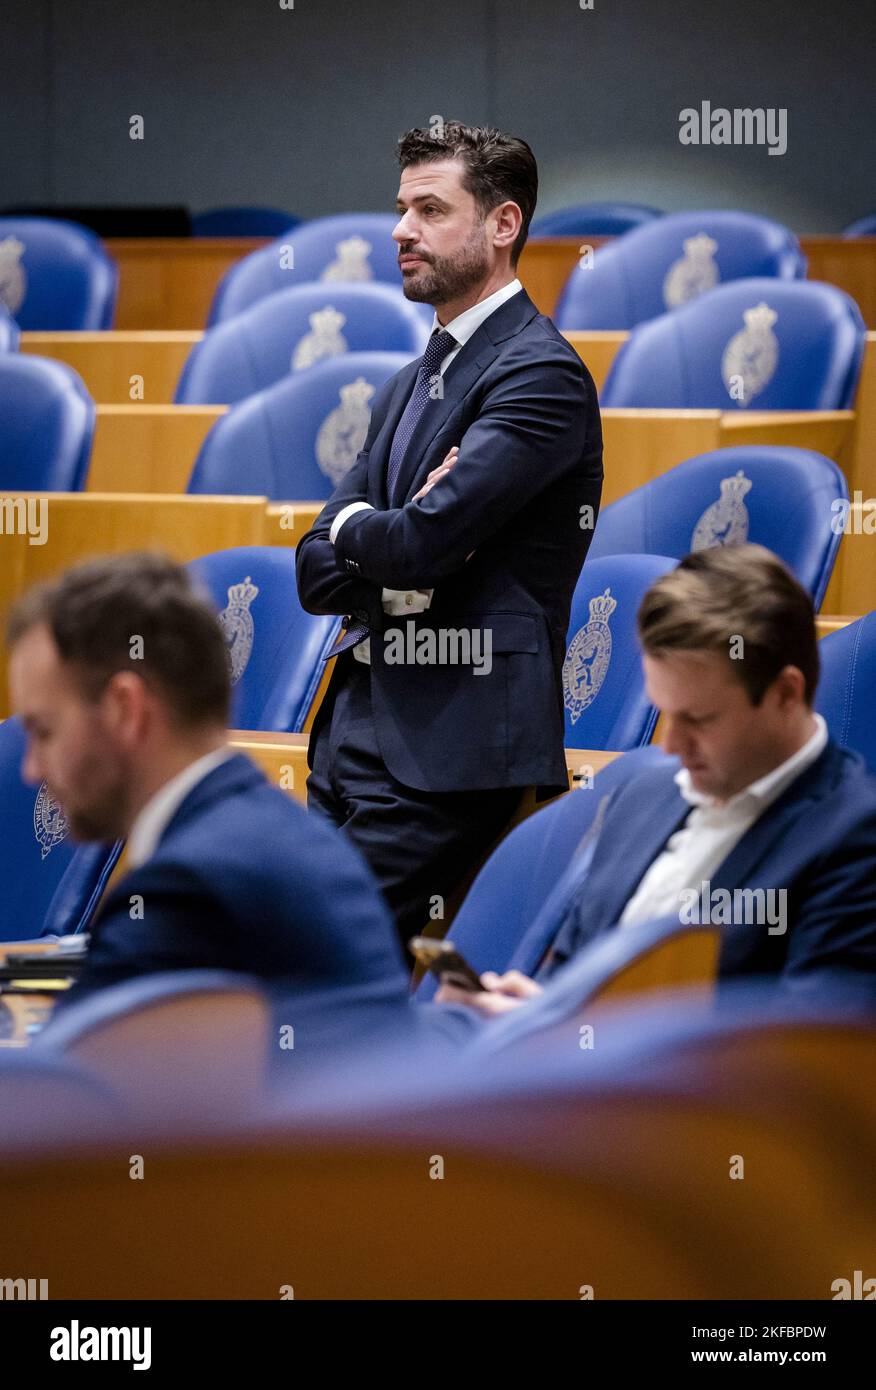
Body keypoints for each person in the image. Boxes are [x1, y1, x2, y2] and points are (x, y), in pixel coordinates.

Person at [296, 120, 603, 947]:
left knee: (313, 959)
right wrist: (383, 531)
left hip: (454, 749)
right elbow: (315, 573)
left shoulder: (539, 374)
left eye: (430, 210)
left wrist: (380, 535)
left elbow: (417, 546)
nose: (400, 230)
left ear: (502, 226)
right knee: (281, 955)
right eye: (401, 209)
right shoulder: (409, 381)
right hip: (354, 724)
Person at [435, 545, 876, 1023]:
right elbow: (573, 982)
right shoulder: (643, 793)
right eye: (664, 711)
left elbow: (805, 1067)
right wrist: (533, 1013)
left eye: (698, 720)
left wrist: (572, 1042)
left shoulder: (855, 839)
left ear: (786, 694)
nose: (670, 746)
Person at [6, 553, 409, 1016]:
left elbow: (70, 1075)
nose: (31, 769)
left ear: (124, 709)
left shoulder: (187, 889)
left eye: (43, 732)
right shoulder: (286, 836)